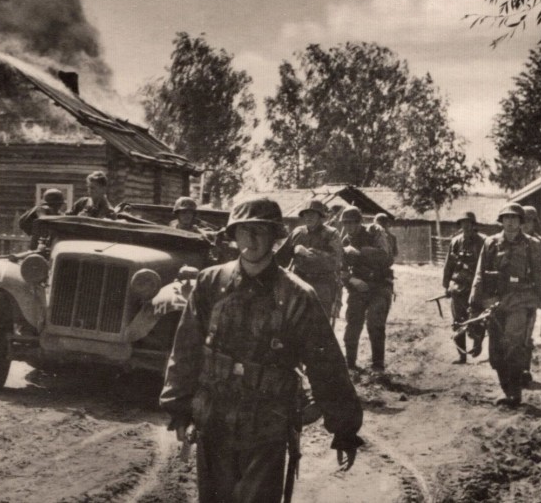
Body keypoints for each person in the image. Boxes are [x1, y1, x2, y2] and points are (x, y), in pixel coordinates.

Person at [161, 197, 364, 502]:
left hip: (268, 421)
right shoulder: (210, 283)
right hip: (214, 416)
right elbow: (187, 348)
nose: (252, 239)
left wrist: (344, 427)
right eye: (245, 231)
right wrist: (178, 406)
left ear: (274, 238)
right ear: (234, 236)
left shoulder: (298, 295)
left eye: (261, 231)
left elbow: (326, 364)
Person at [470, 202, 541, 407]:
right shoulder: (491, 243)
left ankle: (514, 393)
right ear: (501, 221)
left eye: (515, 218)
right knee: (495, 353)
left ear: (521, 222)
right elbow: (480, 274)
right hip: (495, 302)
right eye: (507, 218)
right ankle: (507, 389)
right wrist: (474, 304)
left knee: (513, 345)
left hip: (522, 300)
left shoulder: (532, 245)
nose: (510, 222)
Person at [337, 206, 394, 372]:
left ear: (359, 222)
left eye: (352, 223)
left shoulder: (375, 231)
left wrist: (360, 252)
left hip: (379, 285)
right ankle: (350, 365)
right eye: (345, 224)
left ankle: (378, 366)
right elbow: (339, 270)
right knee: (352, 325)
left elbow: (386, 257)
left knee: (375, 324)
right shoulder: (344, 241)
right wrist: (352, 279)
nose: (348, 228)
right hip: (358, 288)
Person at [284, 199, 344, 321]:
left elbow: (335, 261)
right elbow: (282, 256)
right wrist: (293, 249)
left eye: (312, 214)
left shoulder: (331, 233)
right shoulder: (297, 232)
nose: (308, 217)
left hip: (322, 285)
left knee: (320, 325)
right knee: (296, 322)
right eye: (306, 214)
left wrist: (309, 253)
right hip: (299, 284)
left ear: (320, 216)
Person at [442, 212, 486, 364]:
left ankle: (477, 344)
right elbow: (449, 265)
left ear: (474, 225)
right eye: (462, 223)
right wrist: (446, 285)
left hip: (477, 288)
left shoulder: (484, 241)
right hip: (458, 287)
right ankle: (461, 355)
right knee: (458, 321)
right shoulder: (455, 241)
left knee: (477, 318)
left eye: (469, 223)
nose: (466, 226)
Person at [519, 205, 541, 386]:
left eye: (529, 221)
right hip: (510, 295)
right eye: (522, 221)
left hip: (531, 296)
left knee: (526, 334)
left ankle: (524, 369)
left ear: (534, 223)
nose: (525, 225)